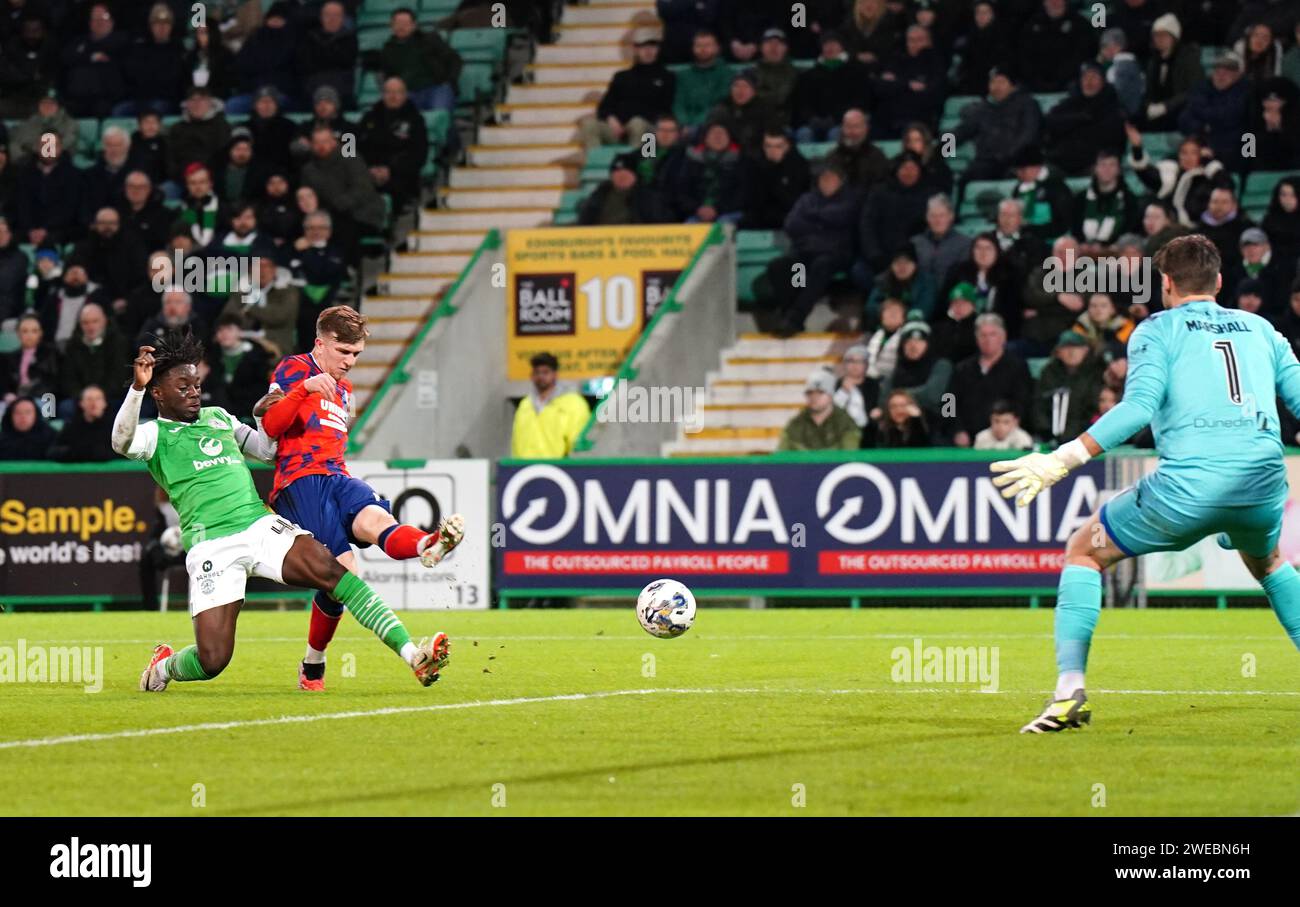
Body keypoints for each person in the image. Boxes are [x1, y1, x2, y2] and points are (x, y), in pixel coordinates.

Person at [991, 234, 1300, 733]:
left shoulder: (1156, 329)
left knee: (1084, 551)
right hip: (1263, 485)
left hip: (1189, 489)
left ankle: (1068, 693)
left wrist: (1063, 458)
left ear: (1166, 283)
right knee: (1267, 563)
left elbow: (1137, 408)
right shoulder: (1261, 328)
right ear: (1220, 281)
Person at [119, 331, 451, 693]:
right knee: (212, 660)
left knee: (336, 574)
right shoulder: (155, 434)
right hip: (212, 544)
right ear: (158, 393)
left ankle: (413, 655)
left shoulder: (218, 417)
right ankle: (164, 667)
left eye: (197, 385)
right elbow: (121, 442)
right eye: (183, 388)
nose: (194, 393)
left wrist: (261, 417)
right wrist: (136, 389)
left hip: (258, 525)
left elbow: (266, 452)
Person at [250, 306, 465, 690]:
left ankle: (427, 545)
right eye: (343, 351)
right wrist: (304, 389)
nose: (350, 361)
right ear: (320, 344)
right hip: (300, 482)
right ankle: (396, 657)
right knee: (344, 575)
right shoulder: (294, 368)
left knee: (376, 522)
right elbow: (270, 425)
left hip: (338, 476)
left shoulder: (345, 390)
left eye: (356, 354)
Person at [581, 27, 673, 149]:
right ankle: (596, 161)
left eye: (652, 45)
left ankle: (639, 160)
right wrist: (611, 119)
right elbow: (604, 107)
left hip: (650, 131)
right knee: (589, 125)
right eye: (642, 46)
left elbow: (666, 111)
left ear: (658, 48)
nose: (648, 50)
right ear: (635, 49)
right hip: (620, 130)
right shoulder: (621, 77)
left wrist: (635, 120)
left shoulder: (667, 77)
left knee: (638, 124)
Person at [510, 352, 592, 458]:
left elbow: (578, 443)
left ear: (555, 374)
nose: (540, 377)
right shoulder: (525, 405)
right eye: (537, 372)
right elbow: (517, 443)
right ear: (532, 376)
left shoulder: (574, 404)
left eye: (545, 372)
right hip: (526, 467)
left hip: (557, 467)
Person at [777, 368, 859, 451]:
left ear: (830, 396)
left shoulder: (846, 424)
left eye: (820, 392)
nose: (814, 397)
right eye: (810, 393)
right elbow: (782, 454)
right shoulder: (795, 424)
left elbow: (850, 455)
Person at [48, 384, 115, 462]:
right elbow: (52, 452)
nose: (93, 403)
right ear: (81, 403)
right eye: (89, 399)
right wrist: (76, 452)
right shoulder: (72, 427)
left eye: (98, 399)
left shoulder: (114, 428)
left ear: (105, 403)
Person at [862, 388, 931, 448]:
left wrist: (916, 420)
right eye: (893, 406)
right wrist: (871, 424)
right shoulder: (881, 429)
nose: (898, 410)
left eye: (903, 405)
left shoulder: (922, 425)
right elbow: (867, 450)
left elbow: (921, 447)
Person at [0, 394, 54, 459]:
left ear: (36, 415)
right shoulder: (2, 440)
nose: (23, 416)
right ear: (10, 416)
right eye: (18, 413)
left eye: (28, 412)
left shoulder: (51, 438)